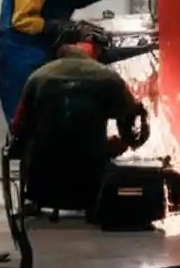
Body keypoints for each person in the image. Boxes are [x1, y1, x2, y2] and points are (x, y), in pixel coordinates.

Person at [10, 44, 148, 216]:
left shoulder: (38, 77)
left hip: (45, 172)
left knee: (31, 143)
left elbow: (18, 126)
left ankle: (34, 201)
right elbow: (130, 122)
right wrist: (121, 143)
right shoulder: (109, 78)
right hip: (91, 171)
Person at [0, 0, 120, 124]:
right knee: (25, 122)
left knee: (49, 120)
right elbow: (22, 21)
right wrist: (70, 29)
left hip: (42, 51)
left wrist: (73, 31)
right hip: (21, 56)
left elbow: (56, 17)